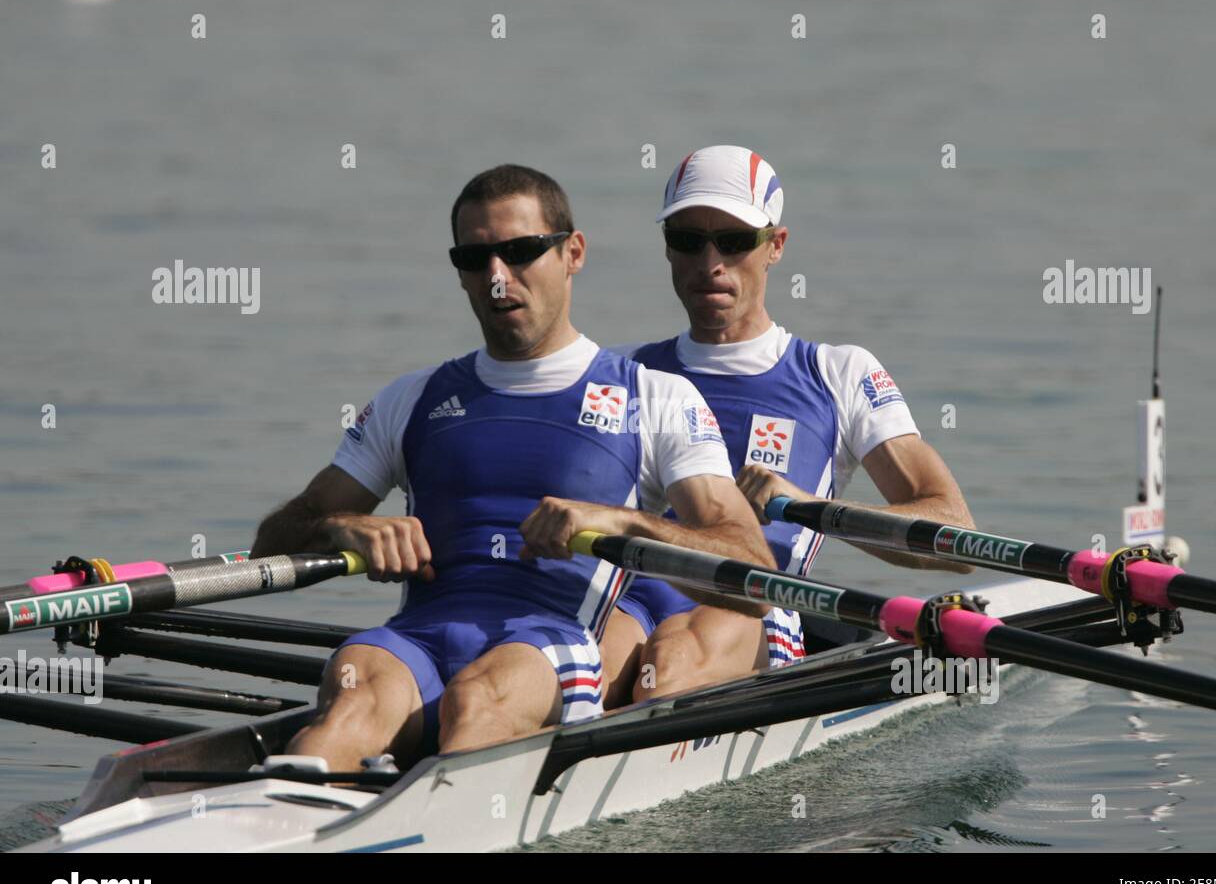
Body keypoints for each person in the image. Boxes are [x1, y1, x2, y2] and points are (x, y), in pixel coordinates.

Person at [251, 164, 773, 771]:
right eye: (476, 259)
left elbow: (754, 575)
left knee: (480, 700)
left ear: (573, 253)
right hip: (415, 639)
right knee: (349, 698)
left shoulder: (656, 399)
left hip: (549, 645)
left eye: (521, 252)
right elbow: (274, 541)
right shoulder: (411, 398)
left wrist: (624, 523)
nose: (498, 279)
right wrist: (338, 527)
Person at [608, 145, 975, 703]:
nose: (711, 263)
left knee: (672, 660)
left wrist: (810, 506)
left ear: (775, 246)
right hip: (630, 598)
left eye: (733, 242)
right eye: (688, 240)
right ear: (667, 247)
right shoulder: (624, 374)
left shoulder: (838, 373)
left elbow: (955, 537)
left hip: (754, 601)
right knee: (584, 662)